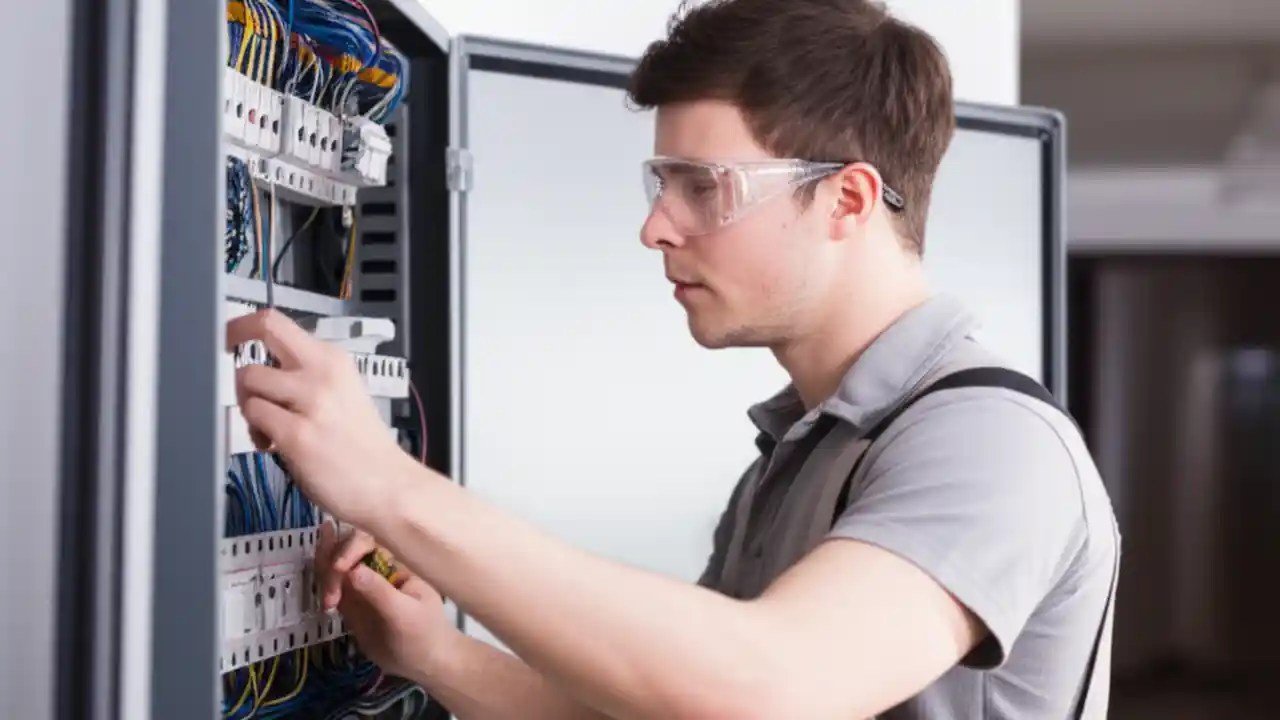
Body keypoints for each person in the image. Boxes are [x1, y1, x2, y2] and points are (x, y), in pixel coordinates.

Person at [228, 0, 1120, 717]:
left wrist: (387, 485)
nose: (657, 226)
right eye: (662, 187)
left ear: (847, 200)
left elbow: (767, 688)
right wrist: (437, 654)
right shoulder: (803, 453)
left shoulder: (994, 446)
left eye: (704, 188)